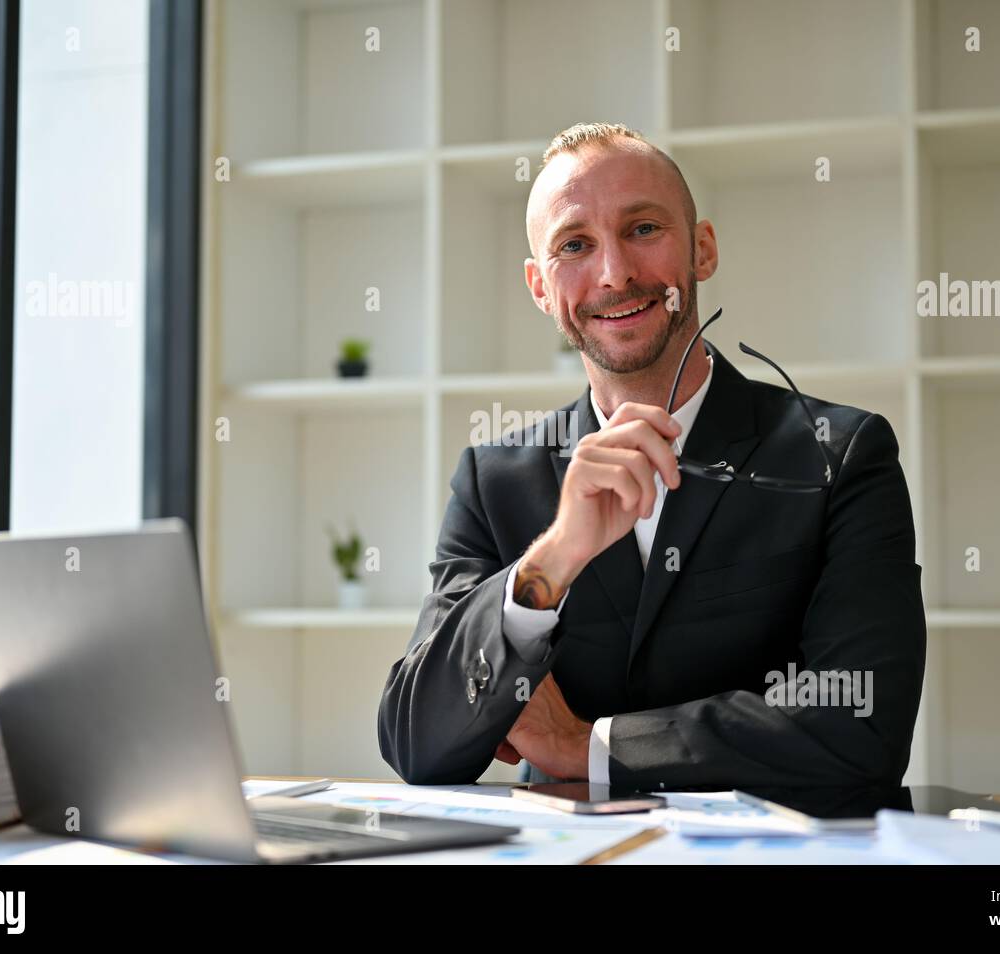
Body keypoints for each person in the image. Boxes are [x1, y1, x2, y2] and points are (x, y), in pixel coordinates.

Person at [377, 122, 925, 789]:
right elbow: (416, 742)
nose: (615, 273)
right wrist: (550, 562)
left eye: (642, 229)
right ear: (540, 288)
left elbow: (861, 726)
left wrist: (583, 746)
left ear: (702, 249)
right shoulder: (493, 482)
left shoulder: (842, 457)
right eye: (575, 245)